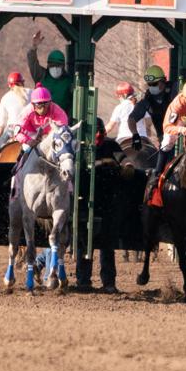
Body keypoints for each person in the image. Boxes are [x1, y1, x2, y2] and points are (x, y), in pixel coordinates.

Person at [75, 117, 128, 294]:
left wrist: (126, 166)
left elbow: (124, 161)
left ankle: (109, 282)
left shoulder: (111, 146)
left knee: (107, 245)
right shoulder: (80, 148)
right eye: (95, 131)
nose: (98, 134)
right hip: (85, 202)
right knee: (84, 242)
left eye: (101, 131)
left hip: (108, 203)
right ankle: (83, 281)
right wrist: (104, 163)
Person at [14, 86, 70, 176]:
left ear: (50, 103)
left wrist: (49, 138)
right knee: (25, 148)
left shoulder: (57, 110)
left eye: (46, 104)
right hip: (31, 135)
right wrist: (28, 141)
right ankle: (18, 171)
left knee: (65, 150)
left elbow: (62, 130)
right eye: (39, 105)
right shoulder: (27, 111)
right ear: (33, 104)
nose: (43, 109)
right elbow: (17, 132)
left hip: (50, 136)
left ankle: (68, 179)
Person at [26, 29, 74, 116]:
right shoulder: (41, 75)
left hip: (61, 121)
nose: (55, 68)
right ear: (48, 65)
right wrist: (34, 47)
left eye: (58, 66)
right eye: (52, 65)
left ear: (63, 66)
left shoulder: (68, 81)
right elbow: (32, 62)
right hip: (41, 120)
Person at [128, 65, 175, 150]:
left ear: (163, 80)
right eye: (149, 84)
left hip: (182, 136)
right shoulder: (147, 100)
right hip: (165, 142)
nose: (152, 87)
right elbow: (131, 119)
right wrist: (135, 134)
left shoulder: (175, 89)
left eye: (154, 84)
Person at [0, 71, 30, 154]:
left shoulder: (5, 98)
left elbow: (1, 124)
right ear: (23, 83)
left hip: (12, 132)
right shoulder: (31, 93)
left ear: (9, 85)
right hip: (30, 131)